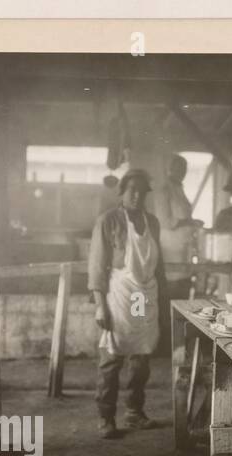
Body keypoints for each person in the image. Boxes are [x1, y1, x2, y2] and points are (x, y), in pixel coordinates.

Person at [88, 168, 169, 439]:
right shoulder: (108, 220)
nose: (136, 195)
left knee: (141, 357)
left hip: (145, 295)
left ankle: (134, 412)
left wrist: (164, 300)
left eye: (141, 191)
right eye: (131, 190)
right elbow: (97, 267)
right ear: (121, 191)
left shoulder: (153, 222)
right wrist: (100, 305)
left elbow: (159, 267)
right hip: (120, 294)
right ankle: (106, 416)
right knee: (112, 358)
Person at [153, 154, 202, 265]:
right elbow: (164, 221)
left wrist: (192, 223)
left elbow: (183, 214)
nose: (182, 172)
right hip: (170, 247)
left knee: (185, 277)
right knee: (174, 278)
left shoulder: (179, 189)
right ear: (170, 169)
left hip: (184, 245)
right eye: (179, 168)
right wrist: (190, 222)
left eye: (184, 169)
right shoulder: (164, 190)